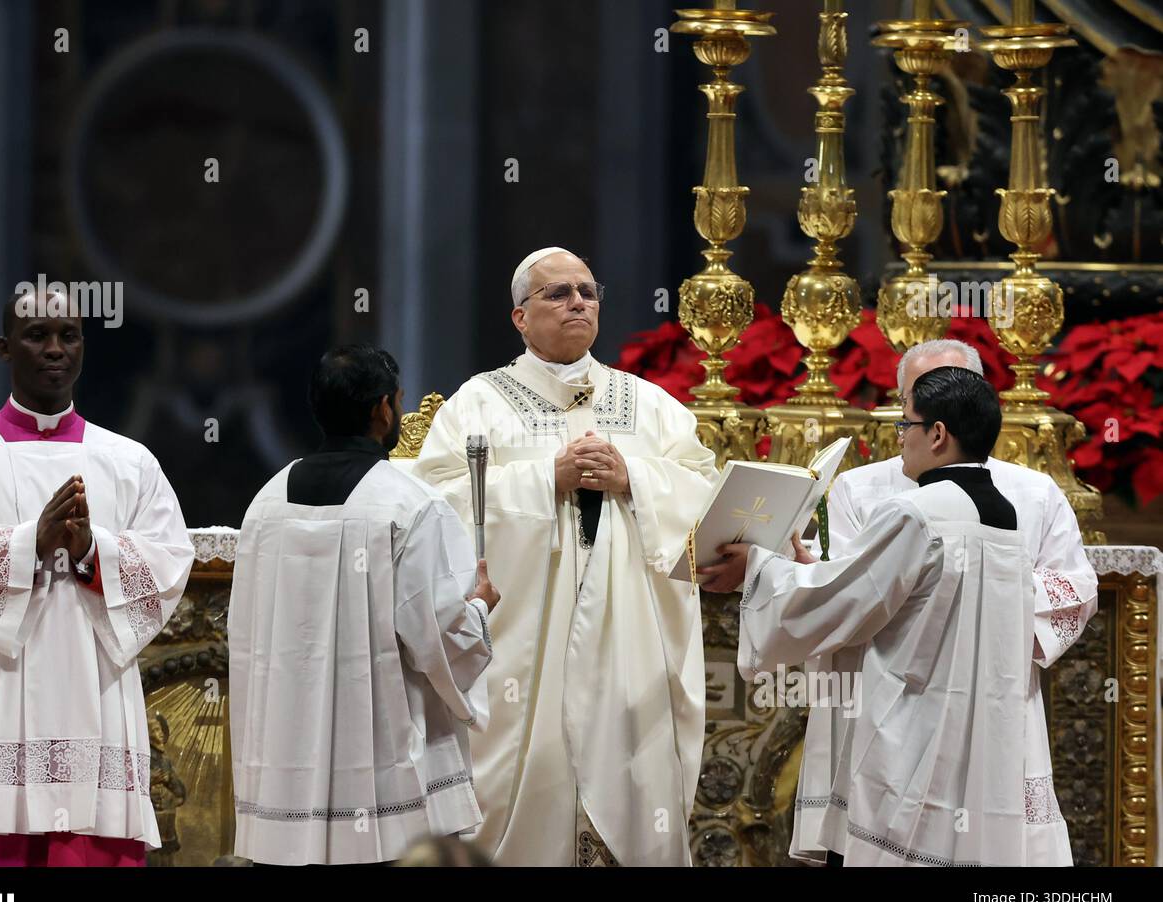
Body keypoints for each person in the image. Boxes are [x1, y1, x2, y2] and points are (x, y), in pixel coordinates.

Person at [413, 248, 718, 866]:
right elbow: (433, 505)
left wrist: (633, 476)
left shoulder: (648, 403)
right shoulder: (478, 403)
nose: (578, 301)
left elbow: (704, 490)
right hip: (524, 644)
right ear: (520, 317)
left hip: (629, 645)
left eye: (587, 291)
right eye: (558, 293)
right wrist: (543, 480)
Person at [703, 367, 1072, 865]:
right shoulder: (1003, 515)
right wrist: (815, 572)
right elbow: (899, 596)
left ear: (937, 434)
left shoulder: (917, 511)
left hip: (915, 726)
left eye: (906, 424)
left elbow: (842, 605)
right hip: (976, 727)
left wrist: (759, 567)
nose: (900, 440)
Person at [0, 287, 194, 866]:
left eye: (69, 336)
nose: (55, 349)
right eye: (37, 336)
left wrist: (92, 553)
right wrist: (26, 544)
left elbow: (169, 565)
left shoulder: (129, 462)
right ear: (4, 347)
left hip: (97, 697)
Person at [229, 345, 497, 865]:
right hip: (377, 764)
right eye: (398, 399)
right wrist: (480, 610)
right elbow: (436, 635)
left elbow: (248, 638)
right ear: (382, 409)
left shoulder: (266, 502)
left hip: (285, 756)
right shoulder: (409, 503)